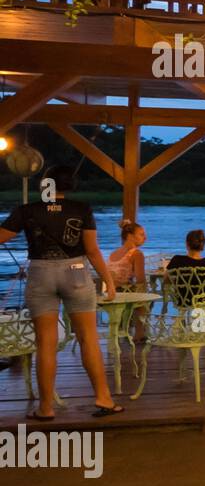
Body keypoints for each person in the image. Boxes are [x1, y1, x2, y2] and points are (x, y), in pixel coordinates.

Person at [0, 165, 122, 418]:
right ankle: (104, 399)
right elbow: (92, 249)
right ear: (69, 186)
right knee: (88, 337)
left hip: (41, 272)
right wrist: (108, 280)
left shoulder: (27, 210)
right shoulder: (82, 209)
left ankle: (45, 408)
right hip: (76, 270)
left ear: (46, 184)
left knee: (45, 343)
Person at [109, 219, 148, 343]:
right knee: (145, 293)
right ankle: (139, 332)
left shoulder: (113, 253)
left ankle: (124, 326)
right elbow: (141, 279)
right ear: (130, 236)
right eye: (141, 234)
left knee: (137, 290)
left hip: (111, 293)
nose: (145, 238)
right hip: (124, 295)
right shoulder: (136, 254)